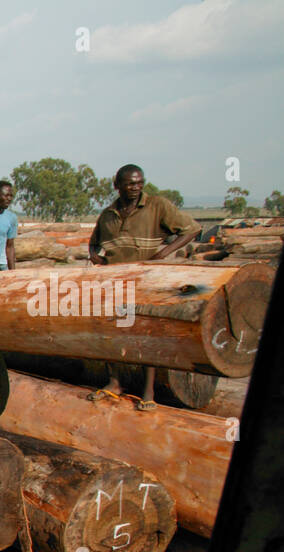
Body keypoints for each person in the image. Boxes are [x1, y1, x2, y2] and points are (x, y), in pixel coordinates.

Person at [87, 163, 200, 410]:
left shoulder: (157, 206)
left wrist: (163, 254)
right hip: (115, 282)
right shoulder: (108, 214)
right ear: (117, 186)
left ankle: (148, 391)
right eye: (130, 183)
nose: (135, 187)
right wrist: (96, 257)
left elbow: (192, 229)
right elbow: (94, 243)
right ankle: (115, 382)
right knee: (113, 334)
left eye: (139, 182)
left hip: (145, 281)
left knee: (145, 334)